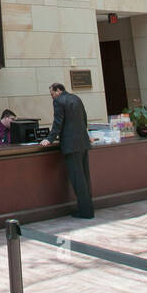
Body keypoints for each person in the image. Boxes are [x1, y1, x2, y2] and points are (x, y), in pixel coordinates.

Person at [39, 83, 94, 219]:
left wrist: (49, 139)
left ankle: (85, 212)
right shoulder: (76, 98)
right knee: (85, 177)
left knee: (77, 179)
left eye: (52, 94)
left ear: (58, 90)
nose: (52, 97)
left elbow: (58, 122)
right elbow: (84, 118)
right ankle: (88, 208)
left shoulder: (59, 101)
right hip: (82, 142)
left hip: (71, 144)